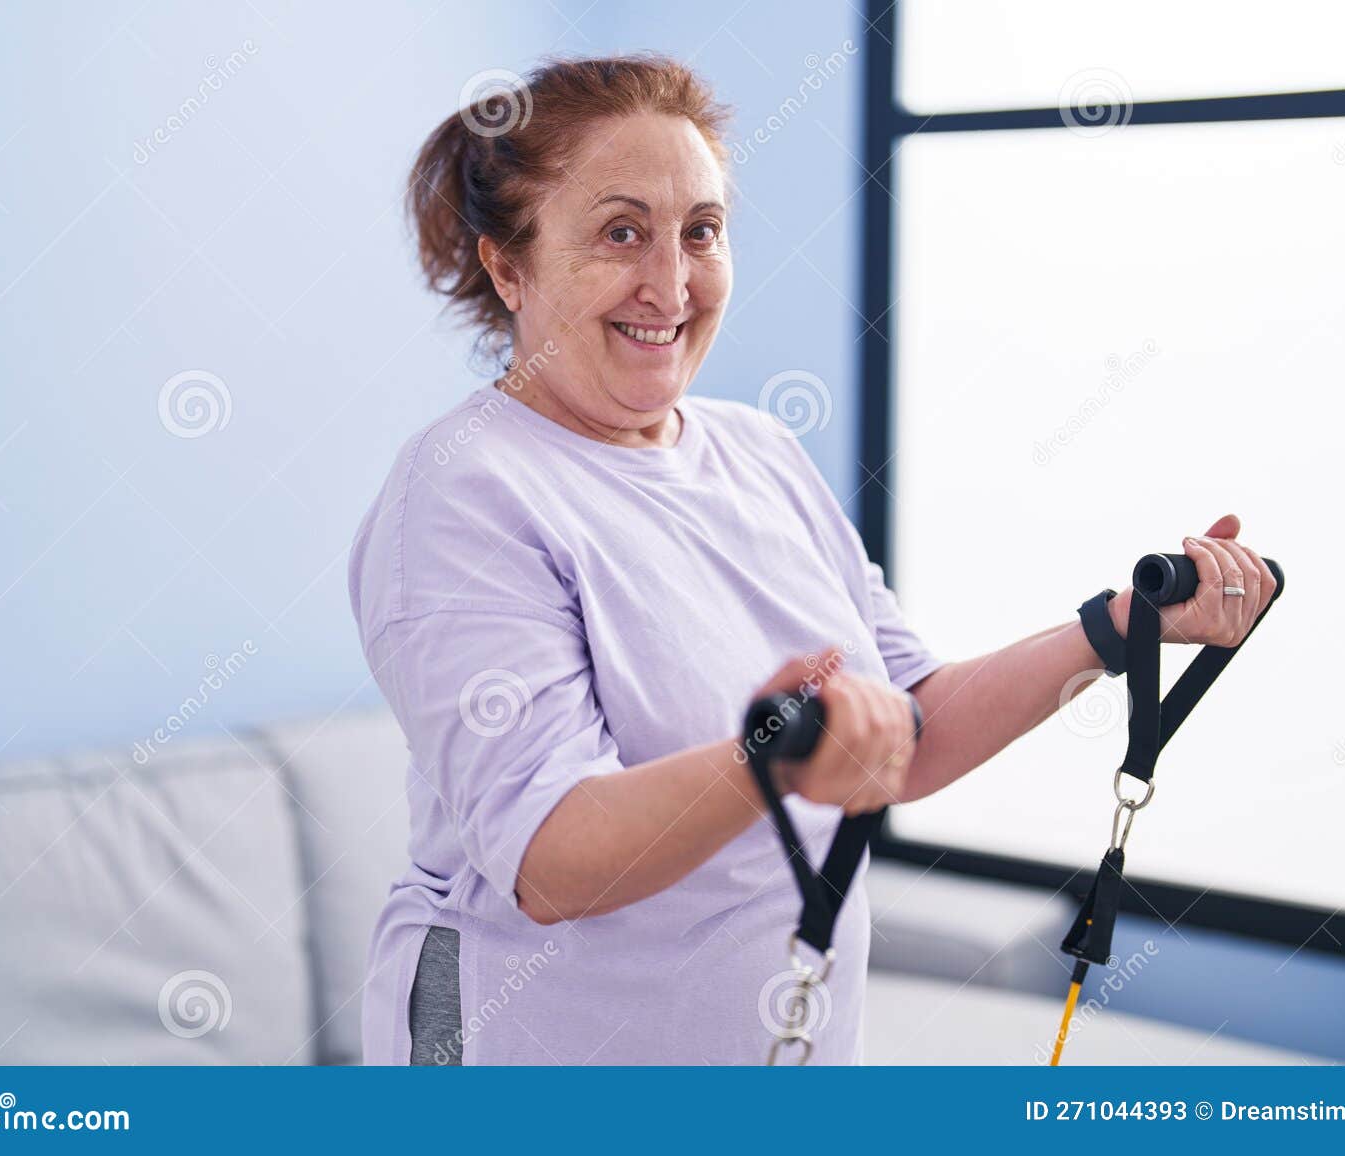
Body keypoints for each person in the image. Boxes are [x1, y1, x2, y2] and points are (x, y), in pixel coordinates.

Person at [347, 54, 1277, 1065]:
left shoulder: (757, 452)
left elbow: (905, 732)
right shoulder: (463, 489)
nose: (670, 283)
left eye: (700, 231)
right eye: (620, 233)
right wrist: (774, 754)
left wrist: (1119, 628)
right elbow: (551, 860)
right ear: (508, 265)